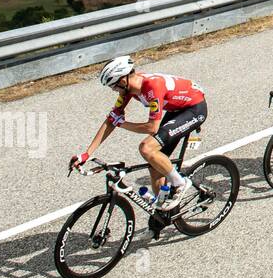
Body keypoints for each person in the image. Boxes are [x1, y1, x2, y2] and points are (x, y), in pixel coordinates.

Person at [70, 57, 206, 211]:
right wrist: (86, 154)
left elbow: (152, 128)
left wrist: (121, 123)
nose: (114, 90)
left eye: (114, 86)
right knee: (155, 166)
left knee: (146, 148)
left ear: (123, 80)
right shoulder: (128, 90)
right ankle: (162, 213)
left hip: (194, 109)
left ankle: (180, 183)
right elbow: (110, 121)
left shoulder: (152, 87)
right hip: (176, 110)